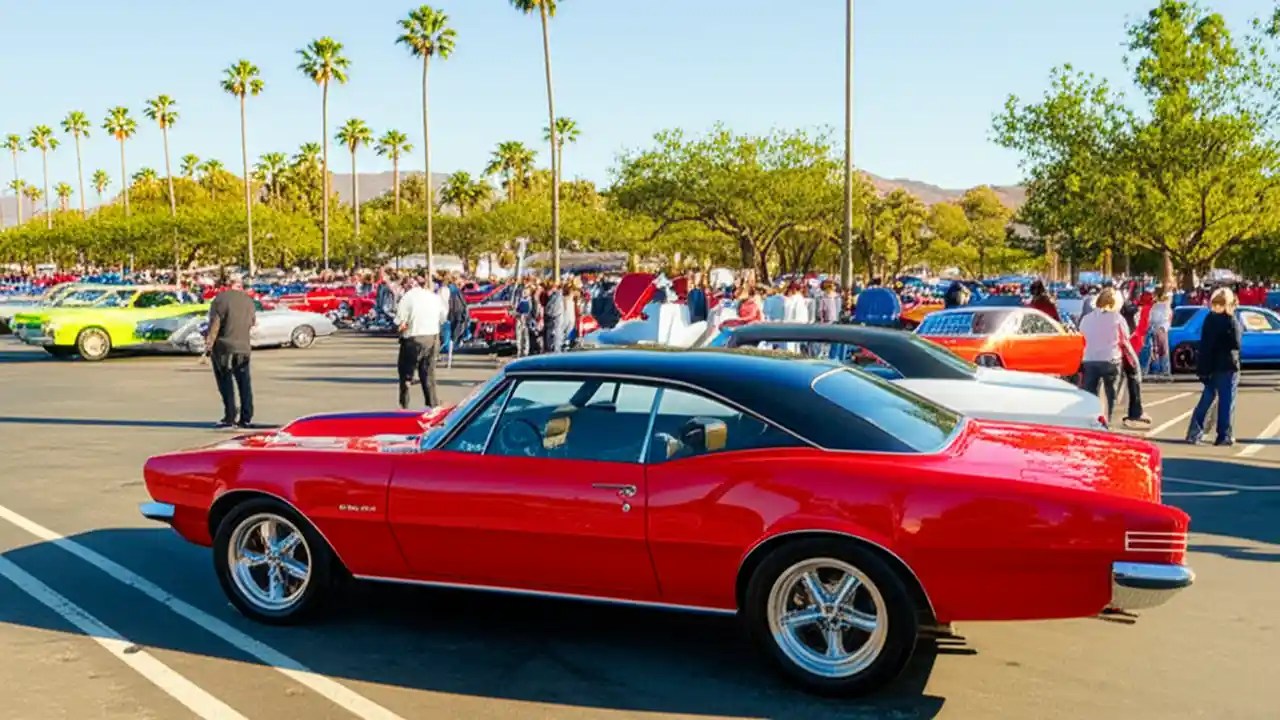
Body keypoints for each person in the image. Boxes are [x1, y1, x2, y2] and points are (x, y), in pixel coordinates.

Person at [1185, 288, 1243, 446]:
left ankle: (1194, 431)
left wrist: (1202, 369)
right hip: (1227, 365)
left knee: (1207, 399)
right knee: (1226, 401)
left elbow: (1204, 345)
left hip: (1211, 365)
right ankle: (1224, 434)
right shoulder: (1230, 320)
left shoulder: (1209, 319)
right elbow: (1237, 343)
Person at [1078, 287, 1138, 426]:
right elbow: (1125, 337)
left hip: (1090, 359)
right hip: (1111, 359)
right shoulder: (1117, 318)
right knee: (1111, 393)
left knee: (1090, 393)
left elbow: (1081, 336)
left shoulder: (1086, 318)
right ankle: (1107, 420)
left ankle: (1090, 420)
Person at [205, 277, 257, 428]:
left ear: (224, 286)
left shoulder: (220, 300)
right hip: (243, 346)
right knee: (244, 383)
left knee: (225, 383)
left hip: (223, 347)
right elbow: (253, 322)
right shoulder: (248, 300)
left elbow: (215, 325)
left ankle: (230, 416)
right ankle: (246, 417)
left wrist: (208, 346)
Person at [394, 276, 448, 409]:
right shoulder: (434, 297)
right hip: (432, 336)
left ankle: (404, 403)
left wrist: (401, 329)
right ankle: (432, 404)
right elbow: (443, 317)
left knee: (405, 373)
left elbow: (400, 322)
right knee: (428, 372)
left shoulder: (407, 298)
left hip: (414, 337)